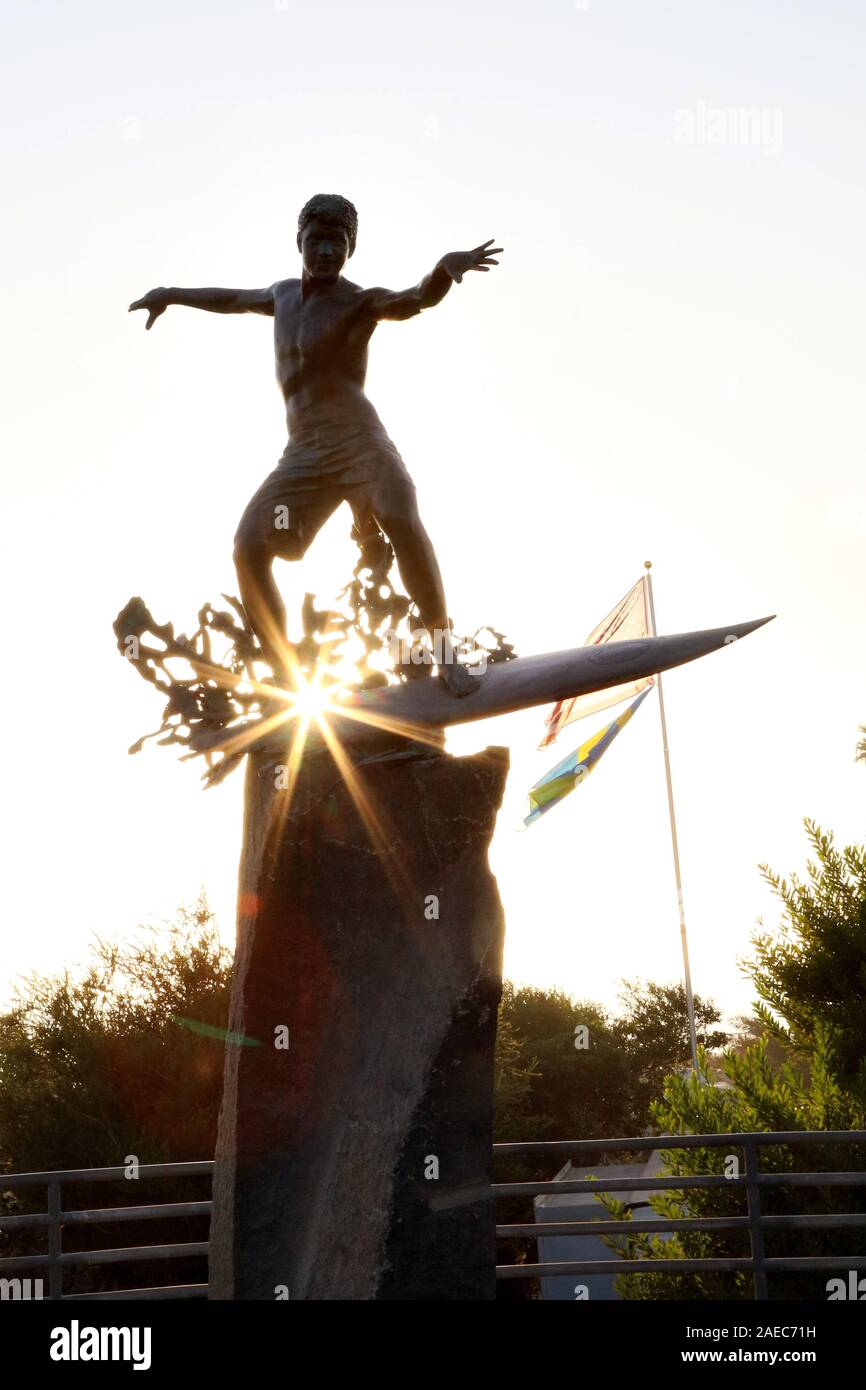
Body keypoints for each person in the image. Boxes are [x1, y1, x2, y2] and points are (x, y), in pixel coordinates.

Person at [129, 193, 502, 695]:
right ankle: (284, 675)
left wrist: (443, 271)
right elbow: (229, 299)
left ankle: (442, 647)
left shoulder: (360, 301)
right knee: (248, 548)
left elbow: (413, 299)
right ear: (299, 241)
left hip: (358, 441)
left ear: (350, 249)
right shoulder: (280, 295)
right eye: (318, 240)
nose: (327, 251)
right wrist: (171, 293)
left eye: (338, 243)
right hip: (303, 454)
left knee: (399, 515)